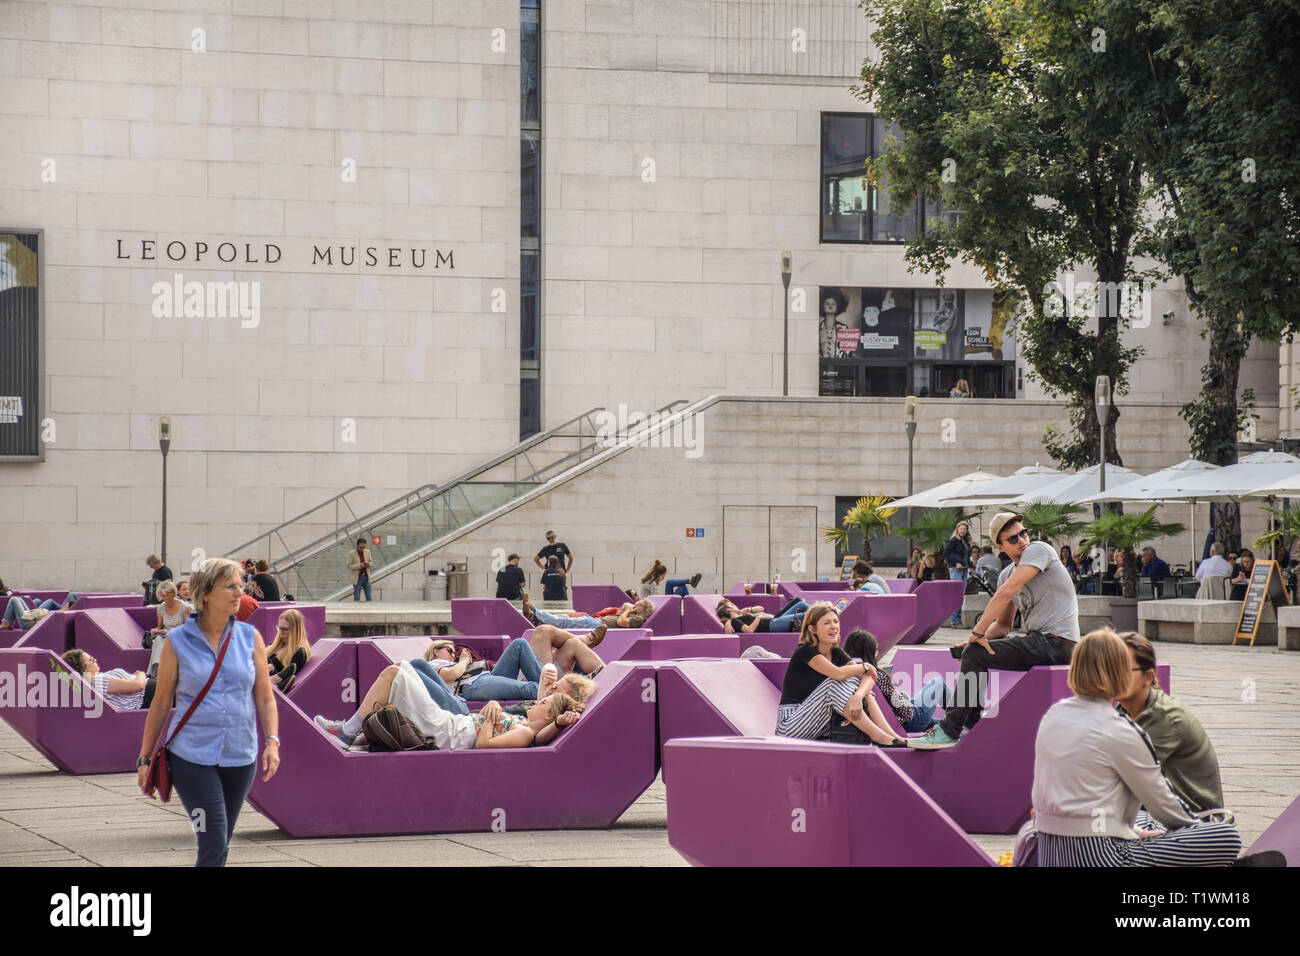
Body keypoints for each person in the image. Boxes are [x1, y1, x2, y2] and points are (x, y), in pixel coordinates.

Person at [1030, 629, 1241, 867]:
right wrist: (1196, 838)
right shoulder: (1119, 728)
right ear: (1118, 673)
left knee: (1144, 822)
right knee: (1226, 836)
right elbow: (1163, 804)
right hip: (1100, 857)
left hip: (1049, 854)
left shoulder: (1052, 715)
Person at [137, 558, 279, 867]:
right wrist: (145, 757)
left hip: (241, 757)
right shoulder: (177, 641)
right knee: (212, 840)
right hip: (192, 759)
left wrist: (272, 741)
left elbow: (265, 698)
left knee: (221, 839)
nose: (239, 592)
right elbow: (161, 703)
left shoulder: (249, 638)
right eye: (230, 586)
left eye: (240, 585)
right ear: (205, 595)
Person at [912, 512, 1080, 749]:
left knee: (975, 652)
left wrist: (976, 634)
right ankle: (971, 724)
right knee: (974, 652)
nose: (1022, 540)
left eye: (1023, 533)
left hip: (1059, 644)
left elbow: (1006, 593)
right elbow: (1003, 626)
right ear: (999, 546)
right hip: (1038, 643)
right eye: (1013, 539)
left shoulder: (1039, 550)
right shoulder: (1006, 574)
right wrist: (974, 641)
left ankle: (950, 729)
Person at [313, 662, 583, 751]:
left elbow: (484, 745)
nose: (537, 703)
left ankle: (349, 732)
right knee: (404, 668)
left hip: (447, 731)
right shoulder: (523, 725)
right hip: (450, 724)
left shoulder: (525, 732)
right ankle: (356, 736)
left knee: (394, 674)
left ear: (548, 713)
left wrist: (491, 716)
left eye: (544, 702)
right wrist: (493, 710)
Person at [1115, 632, 1224, 815]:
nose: (1112, 676)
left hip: (1196, 823)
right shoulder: (1124, 709)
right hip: (1163, 812)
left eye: (1122, 669)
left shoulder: (1164, 716)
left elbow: (1120, 775)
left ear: (1148, 676)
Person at [774, 604, 908, 746]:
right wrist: (864, 666)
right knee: (835, 683)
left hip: (818, 722)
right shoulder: (804, 651)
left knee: (856, 682)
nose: (833, 627)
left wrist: (858, 696)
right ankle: (879, 737)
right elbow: (838, 674)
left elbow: (870, 677)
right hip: (789, 725)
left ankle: (891, 735)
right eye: (827, 623)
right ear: (812, 629)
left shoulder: (836, 652)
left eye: (836, 621)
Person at [414, 637, 597, 707]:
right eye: (449, 650)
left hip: (484, 677)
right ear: (436, 650)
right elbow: (451, 675)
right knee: (528, 689)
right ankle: (564, 694)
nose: (453, 653)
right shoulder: (432, 664)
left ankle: (547, 688)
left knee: (519, 644)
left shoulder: (445, 660)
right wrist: (463, 660)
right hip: (470, 687)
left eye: (455, 651)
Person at [843, 629, 951, 733]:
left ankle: (959, 724)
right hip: (909, 721)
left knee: (944, 723)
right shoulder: (878, 676)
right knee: (938, 683)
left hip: (892, 722)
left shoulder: (846, 675)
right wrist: (903, 698)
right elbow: (907, 713)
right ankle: (965, 716)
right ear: (869, 653)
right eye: (875, 651)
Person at [62, 649, 156, 709]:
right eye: (90, 659)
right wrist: (141, 675)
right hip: (150, 692)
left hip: (149, 693)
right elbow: (138, 686)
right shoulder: (98, 681)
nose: (94, 659)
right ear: (82, 667)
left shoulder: (93, 684)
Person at [523, 594, 651, 632]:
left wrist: (628, 610)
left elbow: (621, 622)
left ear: (645, 609)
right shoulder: (632, 613)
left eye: (641, 604)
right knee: (563, 622)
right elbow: (620, 610)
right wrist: (627, 608)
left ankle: (534, 611)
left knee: (563, 622)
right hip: (596, 622)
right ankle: (535, 619)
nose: (637, 603)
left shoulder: (638, 618)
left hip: (596, 624)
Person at [265, 608, 311, 690]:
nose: (281, 633)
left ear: (295, 630)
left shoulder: (299, 652)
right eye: (279, 628)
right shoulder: (275, 645)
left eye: (285, 629)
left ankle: (273, 680)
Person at [716, 596, 810, 633]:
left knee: (801, 604)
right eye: (732, 605)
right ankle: (821, 615)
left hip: (773, 621)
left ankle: (821, 613)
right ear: (729, 609)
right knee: (805, 615)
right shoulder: (734, 621)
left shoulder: (740, 614)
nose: (735, 605)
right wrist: (759, 618)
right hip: (772, 625)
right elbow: (749, 630)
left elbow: (761, 608)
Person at [943, 521, 973, 625]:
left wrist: (970, 566)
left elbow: (966, 556)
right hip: (956, 569)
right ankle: (955, 620)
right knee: (956, 594)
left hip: (964, 569)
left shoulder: (965, 541)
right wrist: (956, 563)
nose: (963, 531)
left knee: (960, 595)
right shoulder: (954, 540)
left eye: (964, 529)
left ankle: (957, 620)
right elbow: (946, 553)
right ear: (957, 529)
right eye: (961, 529)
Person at [0, 593, 75, 630]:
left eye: (66, 605)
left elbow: (41, 621)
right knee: (18, 599)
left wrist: (40, 614)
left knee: (14, 599)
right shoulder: (61, 613)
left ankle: (6, 623)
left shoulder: (59, 614)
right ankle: (8, 623)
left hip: (28, 623)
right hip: (30, 618)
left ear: (67, 608)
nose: (64, 605)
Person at [638, 560, 703, 598]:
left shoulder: (650, 582)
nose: (663, 579)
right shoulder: (651, 583)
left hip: (656, 604)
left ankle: (690, 581)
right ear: (658, 575)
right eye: (663, 576)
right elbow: (656, 600)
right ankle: (690, 581)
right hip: (656, 608)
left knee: (672, 583)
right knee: (680, 586)